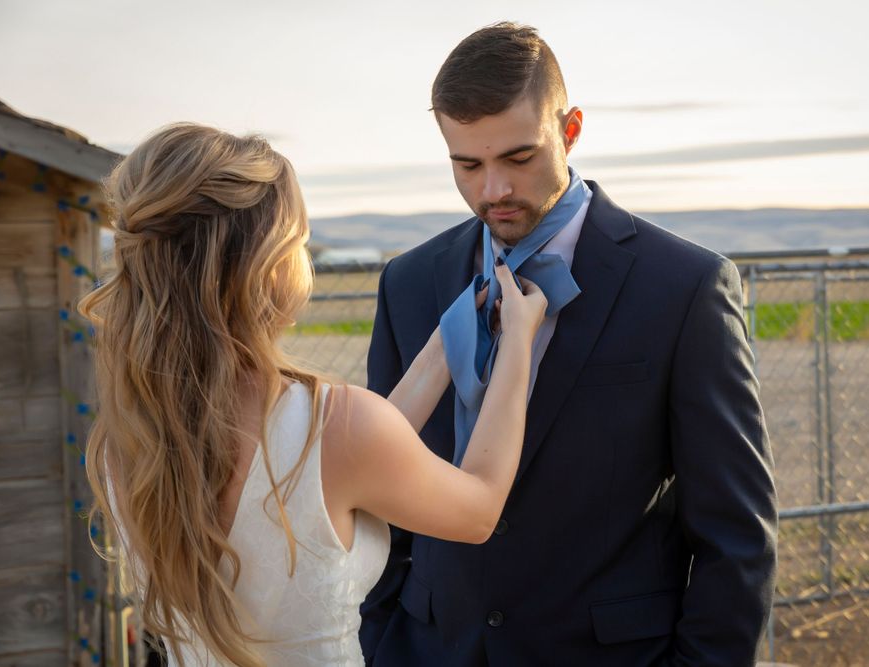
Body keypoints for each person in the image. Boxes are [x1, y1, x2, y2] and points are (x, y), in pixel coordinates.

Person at [360, 22, 778, 666]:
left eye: (518, 157)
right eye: (467, 164)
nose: (492, 189)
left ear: (571, 129)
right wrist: (384, 644)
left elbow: (736, 533)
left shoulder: (685, 287)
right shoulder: (408, 283)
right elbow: (378, 495)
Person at [78, 123, 547, 667]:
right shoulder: (338, 427)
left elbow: (339, 464)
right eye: (300, 241)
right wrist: (517, 341)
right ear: (265, 264)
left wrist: (449, 338)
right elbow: (479, 508)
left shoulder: (129, 437)